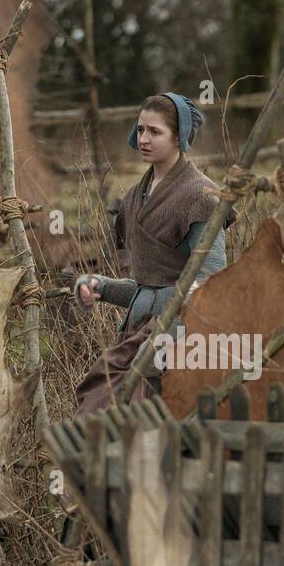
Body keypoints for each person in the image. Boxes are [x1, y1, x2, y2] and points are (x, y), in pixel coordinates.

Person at [72, 93, 235, 415]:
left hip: (180, 339)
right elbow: (150, 287)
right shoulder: (135, 197)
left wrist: (170, 336)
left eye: (154, 132)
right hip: (136, 332)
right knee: (101, 412)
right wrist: (101, 286)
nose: (143, 139)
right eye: (141, 129)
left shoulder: (200, 196)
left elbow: (211, 284)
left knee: (146, 429)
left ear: (179, 136)